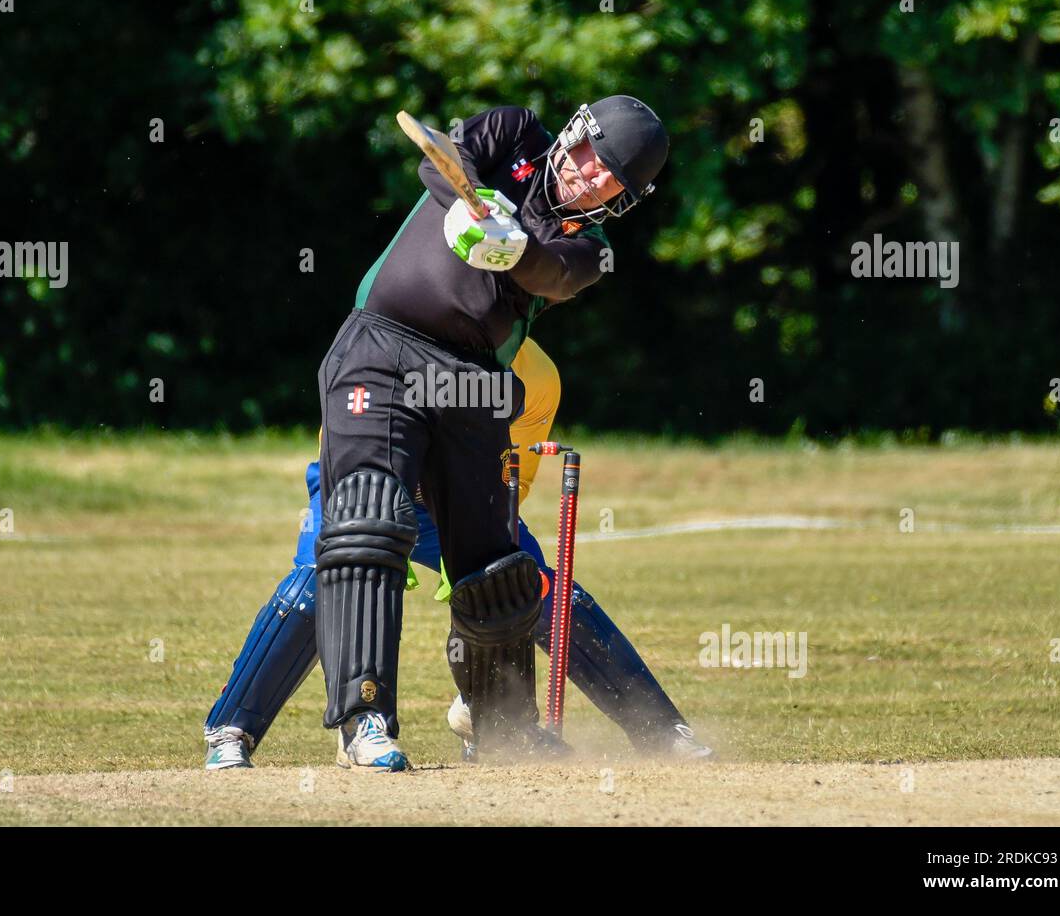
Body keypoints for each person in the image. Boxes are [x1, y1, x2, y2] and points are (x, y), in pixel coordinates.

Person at [310, 95, 674, 770]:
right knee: (369, 517)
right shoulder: (513, 132)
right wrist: (479, 201)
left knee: (499, 569)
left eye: (613, 177)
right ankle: (365, 724)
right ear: (575, 132)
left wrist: (516, 248)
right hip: (381, 348)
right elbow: (442, 165)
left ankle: (504, 734)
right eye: (595, 155)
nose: (594, 176)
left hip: (474, 380)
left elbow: (552, 276)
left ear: (625, 196)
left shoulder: (589, 248)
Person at [203, 337, 714, 769]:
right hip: (364, 478)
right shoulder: (389, 345)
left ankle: (642, 730)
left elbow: (510, 483)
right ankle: (233, 732)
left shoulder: (536, 377)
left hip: (461, 493)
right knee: (322, 585)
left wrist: (485, 595)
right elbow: (350, 438)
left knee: (527, 586)